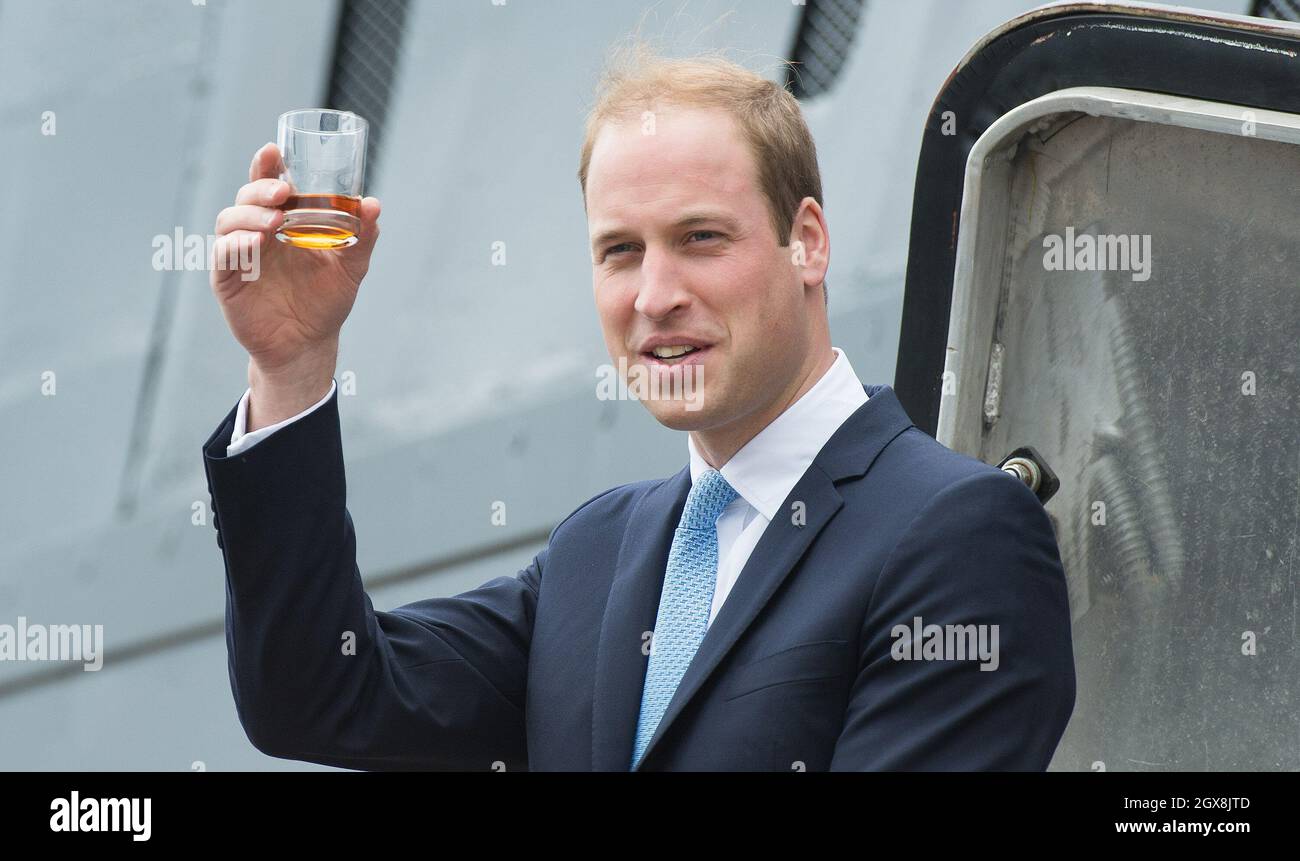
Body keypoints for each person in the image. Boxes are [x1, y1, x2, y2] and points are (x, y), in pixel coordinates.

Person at [202, 48, 1075, 771]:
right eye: (621, 252)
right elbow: (319, 695)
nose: (655, 296)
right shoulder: (596, 553)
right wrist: (293, 362)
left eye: (701, 238)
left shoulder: (956, 532)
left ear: (806, 241)